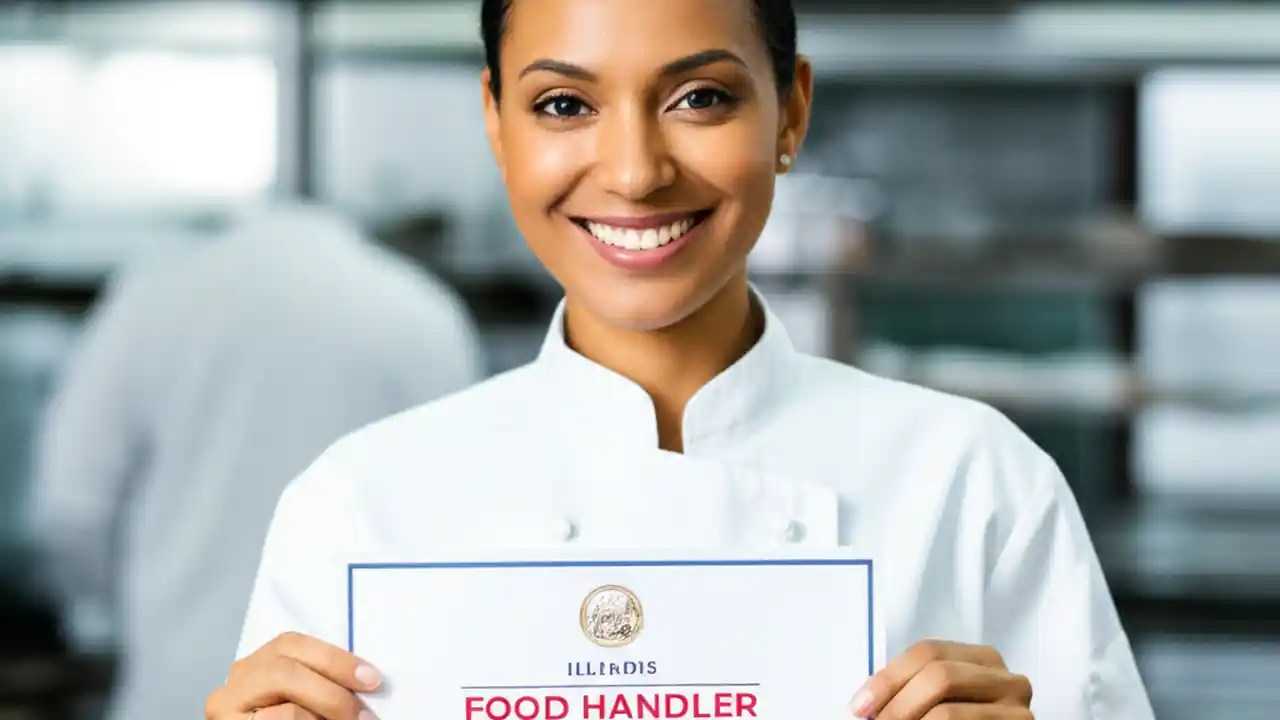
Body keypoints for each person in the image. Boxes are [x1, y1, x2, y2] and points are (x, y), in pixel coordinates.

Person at [205, 1, 1155, 718]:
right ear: (497, 121)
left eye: (700, 97)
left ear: (790, 112)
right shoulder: (358, 505)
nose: (634, 171)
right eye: (564, 103)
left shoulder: (972, 482)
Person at [26, 202, 483, 720]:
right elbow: (460, 527)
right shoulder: (423, 313)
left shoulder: (154, 298)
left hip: (179, 688)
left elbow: (70, 509)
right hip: (358, 696)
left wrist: (101, 622)